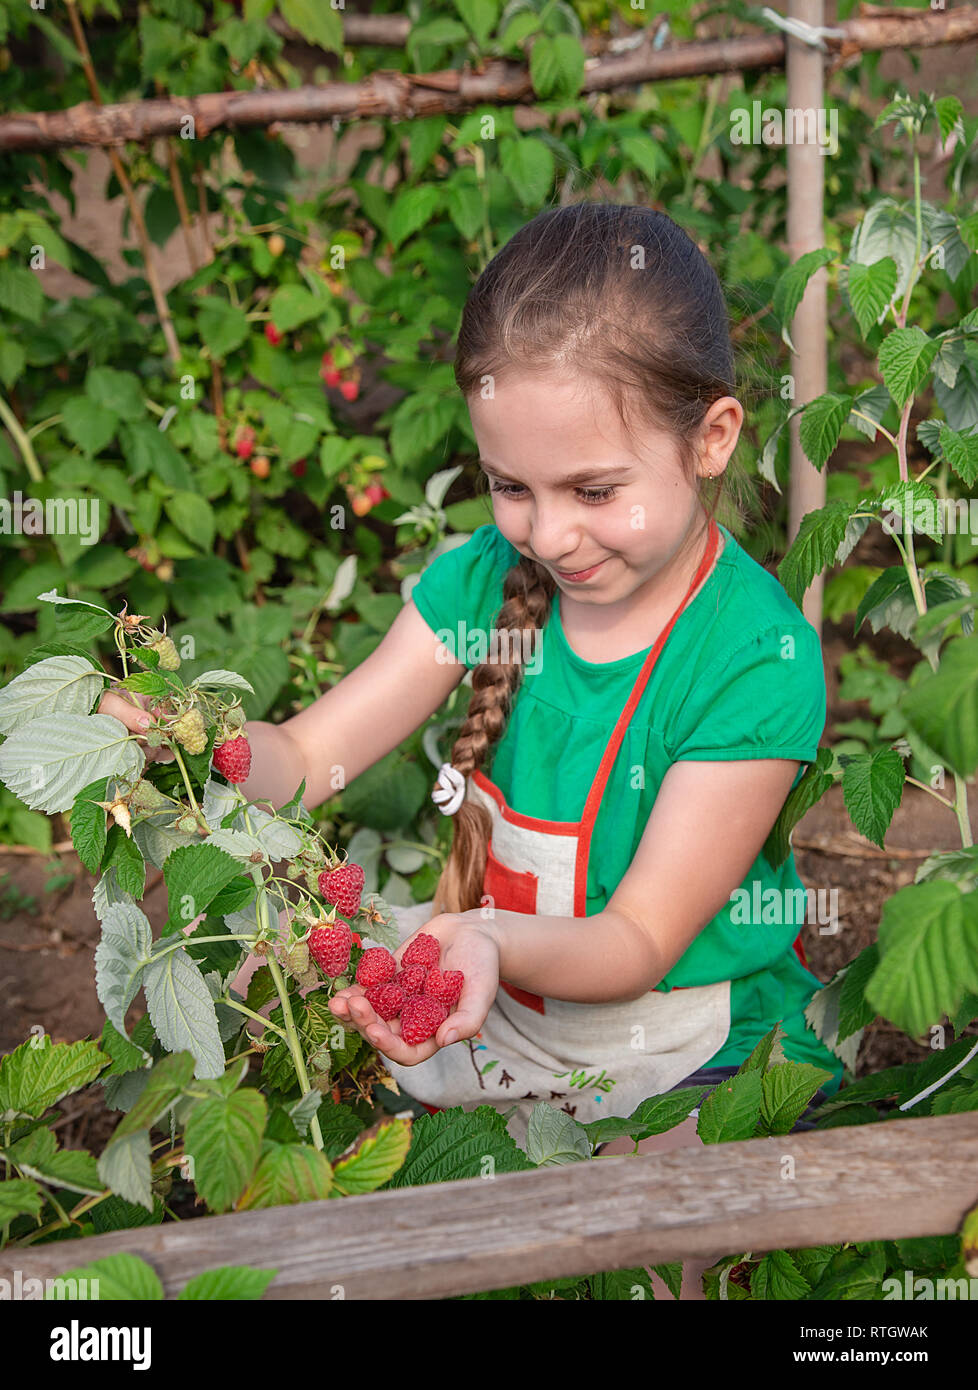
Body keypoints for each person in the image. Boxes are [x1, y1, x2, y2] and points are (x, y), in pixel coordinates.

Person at [103, 203, 843, 1299]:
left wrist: (483, 939)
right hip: (500, 998)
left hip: (685, 1040)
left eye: (595, 491)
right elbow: (308, 760)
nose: (547, 535)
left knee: (639, 1251)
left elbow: (638, 940)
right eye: (511, 488)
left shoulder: (754, 656)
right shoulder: (480, 590)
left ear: (714, 437)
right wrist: (198, 741)